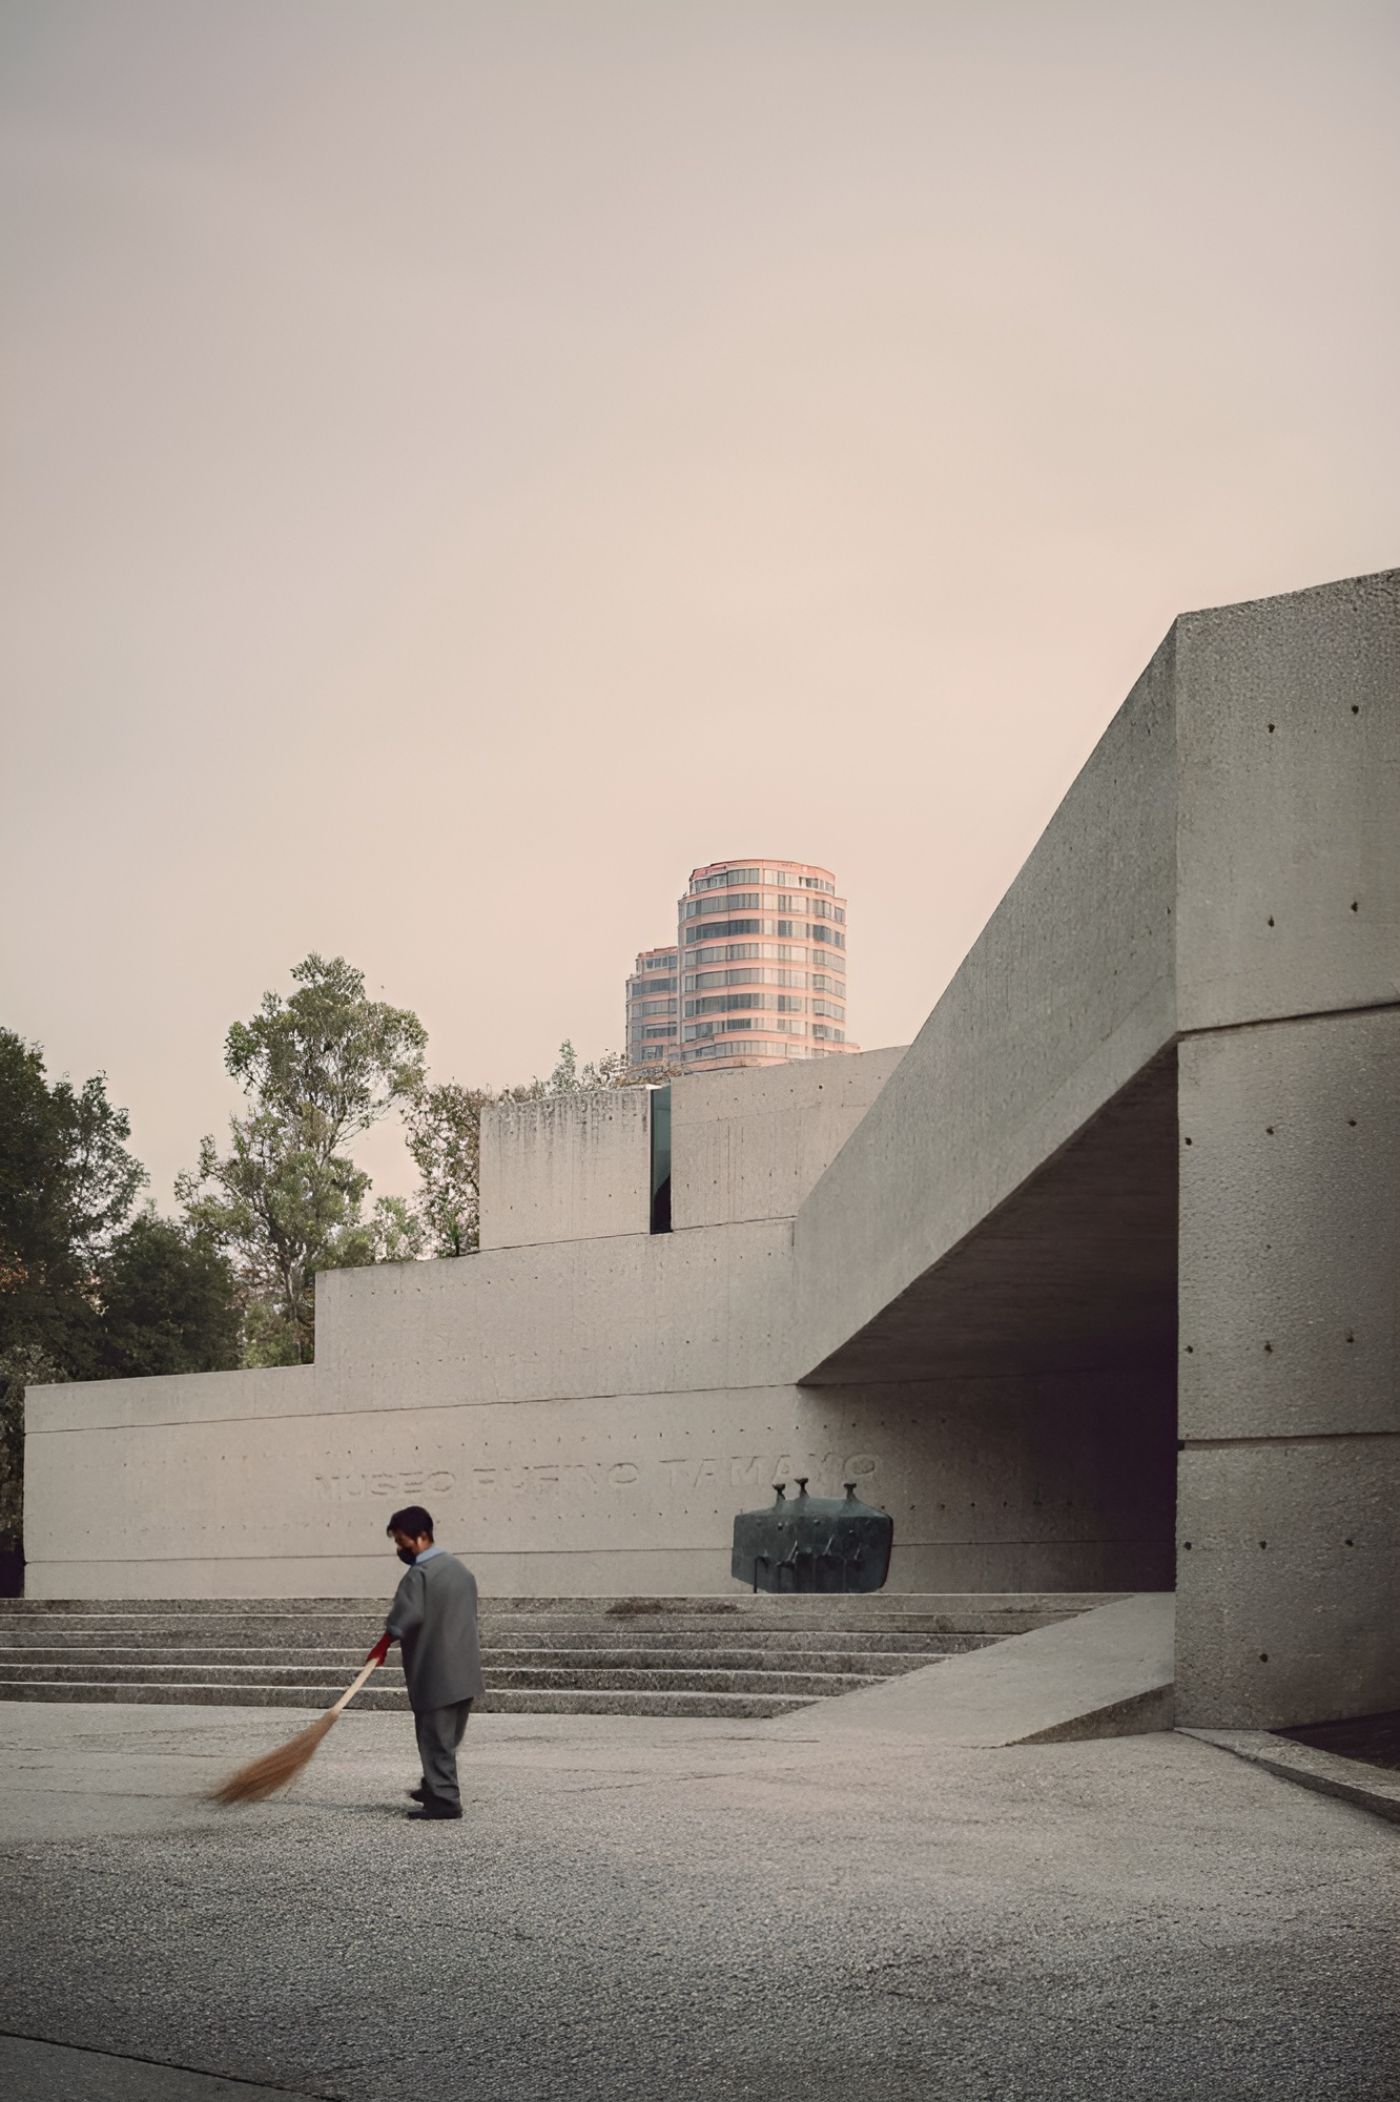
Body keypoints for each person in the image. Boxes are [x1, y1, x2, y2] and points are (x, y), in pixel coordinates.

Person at [367, 1505, 484, 1822]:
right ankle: (433, 1784)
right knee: (447, 1738)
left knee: (435, 1737)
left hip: (436, 1672)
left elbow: (407, 1615)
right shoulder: (461, 1571)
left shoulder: (419, 1575)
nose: (399, 1549)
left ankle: (445, 1800)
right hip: (466, 1671)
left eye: (402, 1541)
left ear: (421, 1537)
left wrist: (386, 1639)